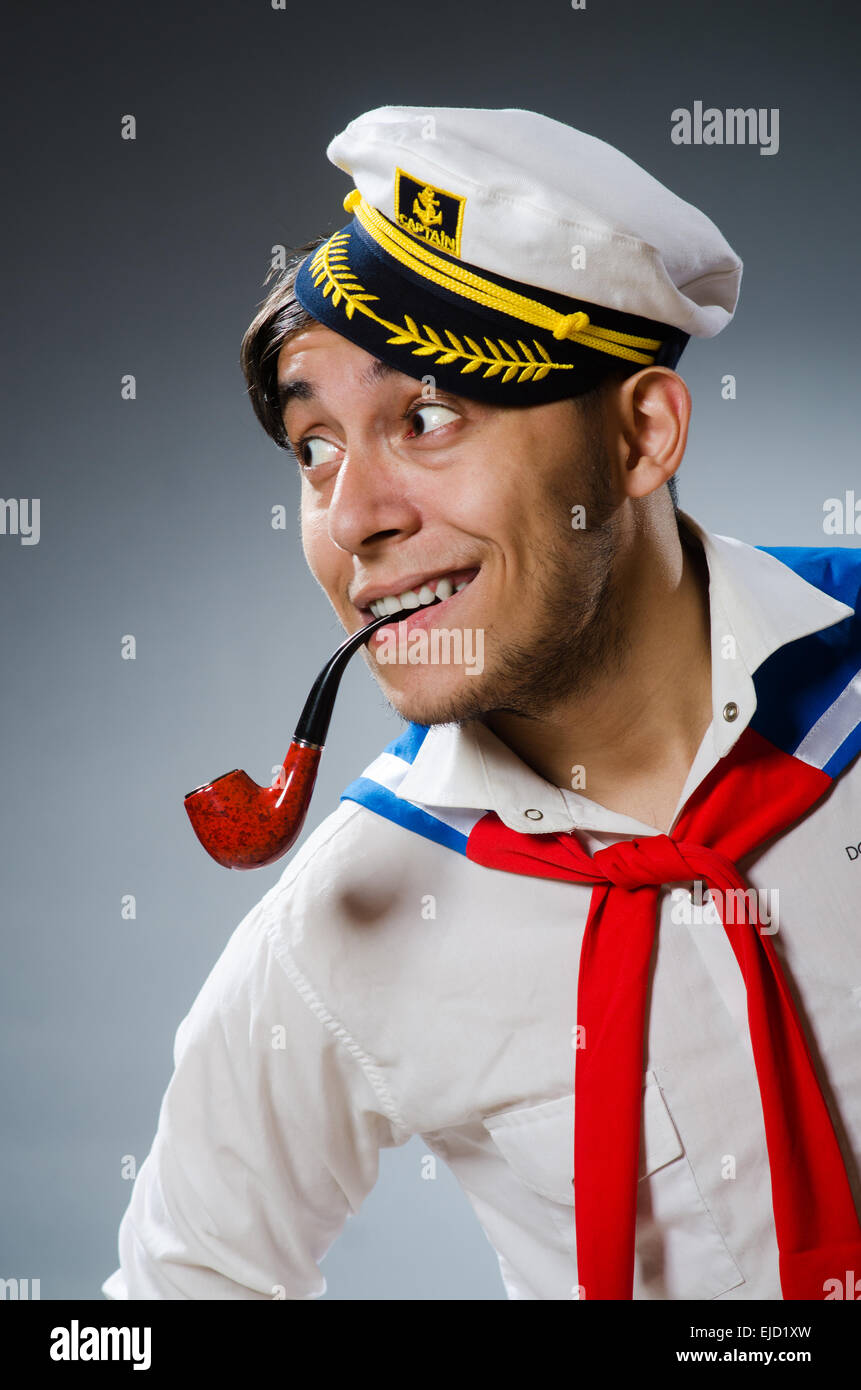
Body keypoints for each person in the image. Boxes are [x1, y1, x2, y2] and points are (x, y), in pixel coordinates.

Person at [102, 105, 861, 1301]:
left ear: (641, 436)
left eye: (428, 418)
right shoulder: (340, 929)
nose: (353, 516)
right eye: (313, 446)